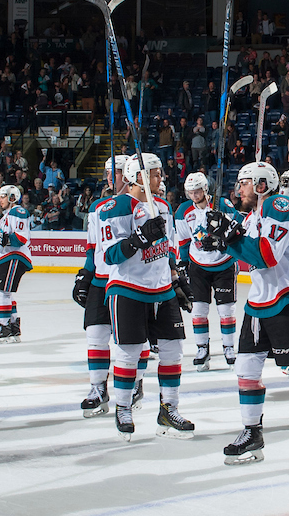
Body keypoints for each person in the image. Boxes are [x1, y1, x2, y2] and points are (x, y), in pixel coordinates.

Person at [203, 161, 289, 469]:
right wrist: (217, 239)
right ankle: (252, 432)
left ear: (260, 185)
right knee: (245, 367)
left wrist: (229, 239)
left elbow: (267, 256)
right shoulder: (253, 216)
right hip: (259, 301)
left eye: (243, 183)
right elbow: (244, 249)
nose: (238, 189)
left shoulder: (279, 204)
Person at [100, 153, 194, 441]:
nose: (160, 178)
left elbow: (167, 249)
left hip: (162, 289)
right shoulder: (116, 207)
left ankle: (169, 409)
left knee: (173, 350)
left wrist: (177, 278)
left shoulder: (163, 206)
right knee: (128, 352)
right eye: (155, 174)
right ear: (138, 177)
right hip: (128, 288)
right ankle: (123, 408)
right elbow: (111, 254)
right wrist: (139, 238)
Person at [72, 155, 140, 418]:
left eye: (118, 172)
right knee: (96, 334)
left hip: (128, 281)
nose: (112, 177)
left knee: (132, 339)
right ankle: (98, 388)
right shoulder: (98, 207)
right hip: (101, 280)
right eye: (109, 172)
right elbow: (93, 248)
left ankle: (135, 383)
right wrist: (85, 275)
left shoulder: (140, 206)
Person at [174, 172, 242, 371]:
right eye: (191, 192)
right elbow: (184, 241)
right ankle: (202, 348)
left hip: (224, 264)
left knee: (226, 310)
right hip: (199, 266)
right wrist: (183, 262)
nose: (194, 196)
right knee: (199, 310)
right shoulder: (183, 211)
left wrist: (222, 240)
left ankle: (229, 348)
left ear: (205, 189)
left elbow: (238, 227)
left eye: (197, 191)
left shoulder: (223, 204)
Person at [0, 184, 31, 343]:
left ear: (12, 197)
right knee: (6, 293)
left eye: (3, 196)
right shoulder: (6, 216)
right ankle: (12, 327)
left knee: (0, 293)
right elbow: (5, 241)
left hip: (14, 256)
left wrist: (0, 238)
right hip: (8, 257)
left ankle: (4, 327)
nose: (0, 200)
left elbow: (20, 238)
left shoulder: (17, 211)